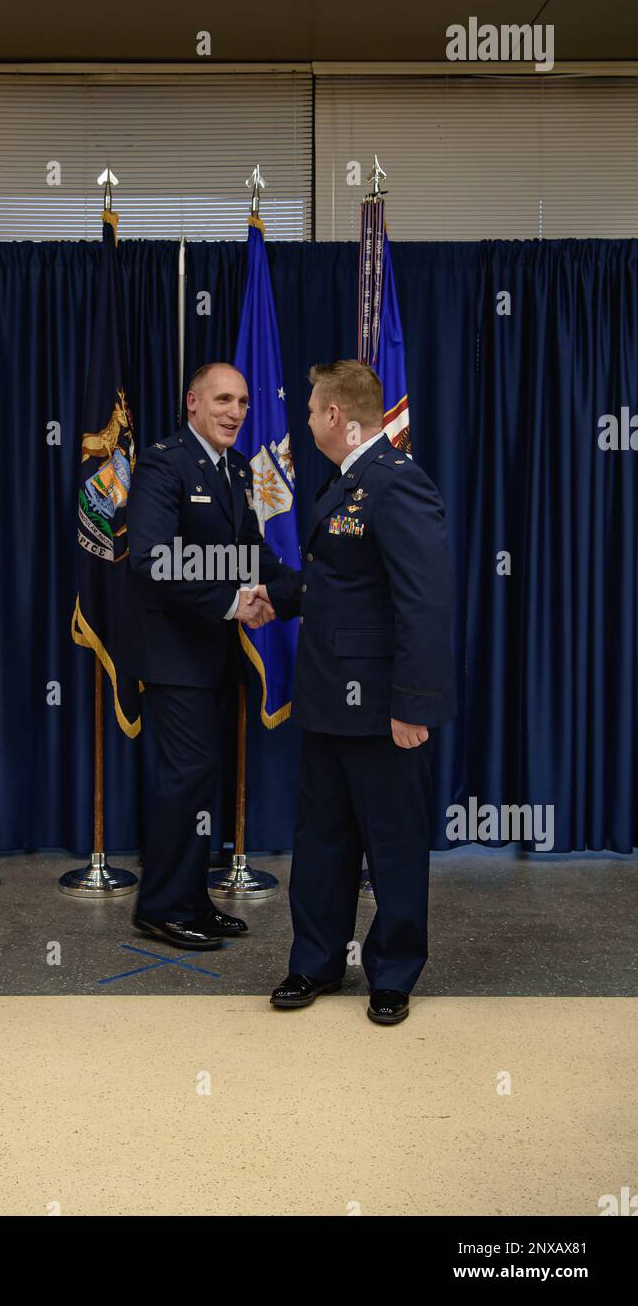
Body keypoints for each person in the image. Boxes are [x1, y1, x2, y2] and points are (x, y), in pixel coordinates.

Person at [264, 360, 456, 1024]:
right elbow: (332, 582)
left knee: (393, 842)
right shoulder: (341, 486)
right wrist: (274, 598)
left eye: (315, 408)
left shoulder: (397, 485)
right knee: (321, 839)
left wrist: (412, 704)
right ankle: (313, 962)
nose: (310, 417)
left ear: (334, 417)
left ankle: (393, 973)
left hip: (381, 706)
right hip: (324, 697)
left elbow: (424, 604)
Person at [125, 362, 287, 951]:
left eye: (243, 401)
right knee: (185, 780)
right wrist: (231, 601)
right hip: (173, 655)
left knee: (199, 781)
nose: (235, 412)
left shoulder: (237, 469)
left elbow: (251, 553)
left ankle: (190, 896)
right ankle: (161, 907)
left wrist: (303, 588)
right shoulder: (162, 463)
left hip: (213, 656)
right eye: (223, 399)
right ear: (192, 402)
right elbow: (153, 559)